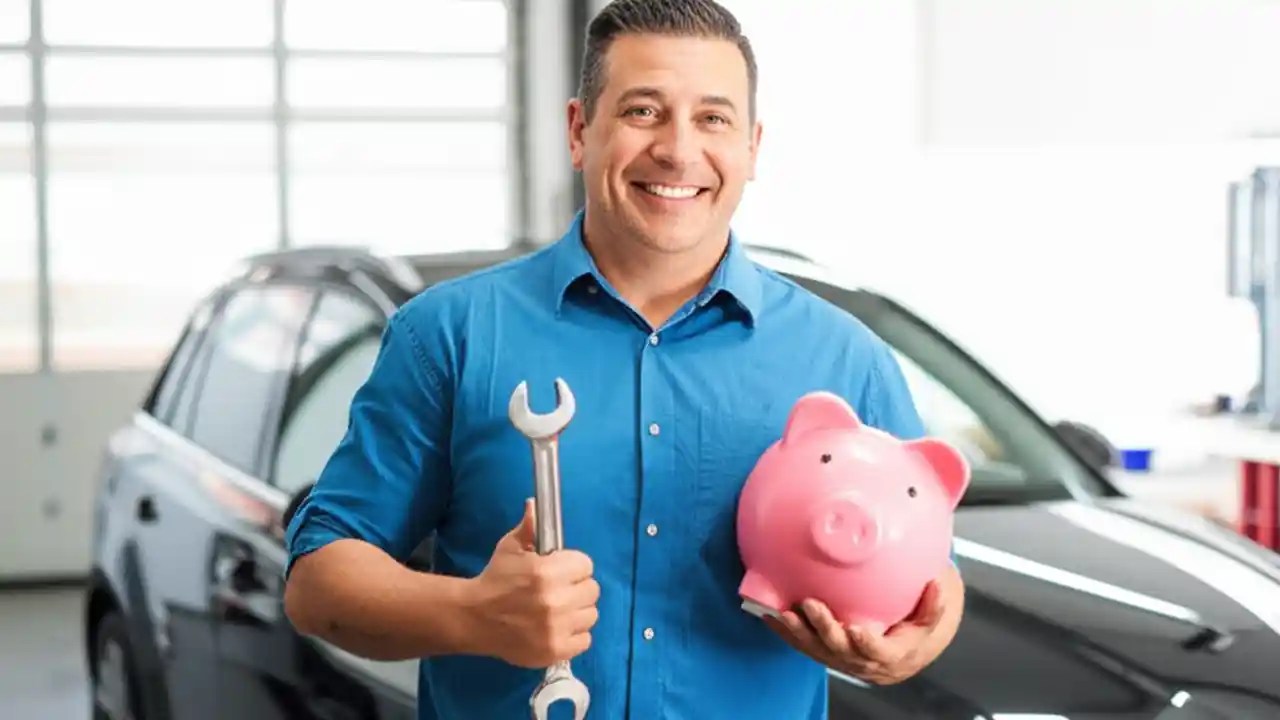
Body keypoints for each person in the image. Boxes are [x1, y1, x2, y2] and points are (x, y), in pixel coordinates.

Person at [282, 0, 965, 718]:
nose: (677, 150)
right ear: (580, 132)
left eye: (713, 118)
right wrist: (471, 613)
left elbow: (930, 574)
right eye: (643, 111)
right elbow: (319, 583)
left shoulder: (845, 359)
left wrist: (917, 641)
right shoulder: (448, 335)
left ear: (753, 147)